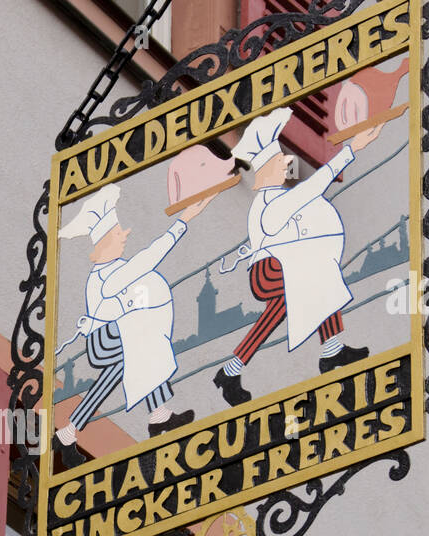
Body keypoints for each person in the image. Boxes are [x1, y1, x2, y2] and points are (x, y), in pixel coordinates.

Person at [213, 105, 383, 407]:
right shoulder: (272, 201)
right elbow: (308, 192)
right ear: (264, 169)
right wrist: (350, 151)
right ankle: (331, 350)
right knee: (314, 275)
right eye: (280, 163)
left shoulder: (272, 200)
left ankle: (231, 370)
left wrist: (238, 256)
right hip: (267, 272)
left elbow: (261, 238)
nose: (286, 167)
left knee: (280, 307)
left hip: (272, 264)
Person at [55, 183, 213, 448]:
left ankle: (70, 431)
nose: (125, 234)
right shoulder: (108, 277)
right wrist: (182, 221)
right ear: (105, 241)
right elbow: (147, 260)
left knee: (125, 364)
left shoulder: (114, 269)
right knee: (139, 344)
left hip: (118, 336)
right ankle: (157, 414)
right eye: (119, 232)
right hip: (103, 341)